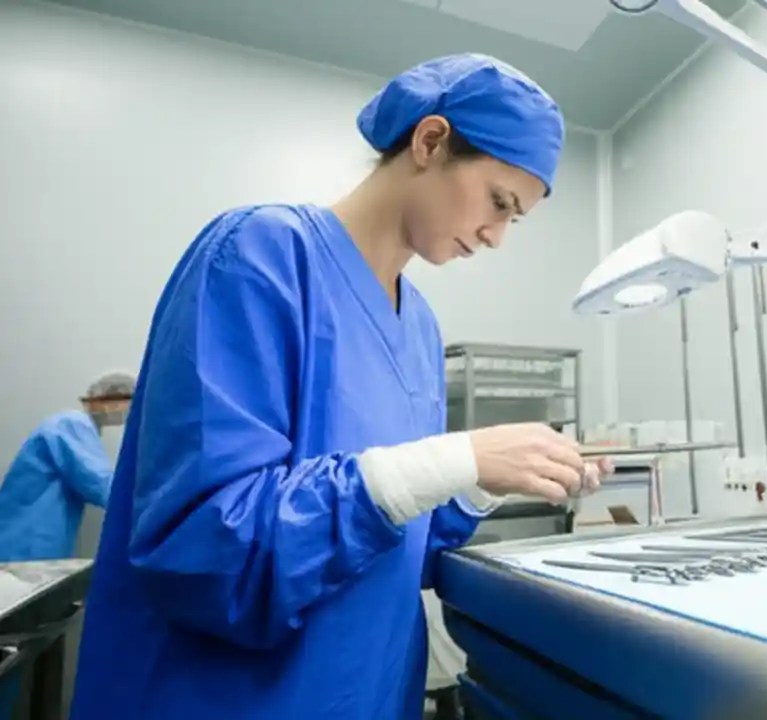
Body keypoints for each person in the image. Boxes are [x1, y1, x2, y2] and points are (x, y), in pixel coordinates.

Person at [70, 54, 609, 720]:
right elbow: (209, 550)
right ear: (430, 141)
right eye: (498, 202)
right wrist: (456, 456)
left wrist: (483, 481)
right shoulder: (260, 256)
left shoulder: (418, 328)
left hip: (370, 688)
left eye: (515, 219)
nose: (497, 236)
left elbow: (384, 529)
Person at [0, 371, 135, 563]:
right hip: (28, 540)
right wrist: (146, 507)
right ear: (107, 400)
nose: (128, 410)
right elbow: (99, 482)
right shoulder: (71, 424)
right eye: (128, 402)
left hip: (31, 539)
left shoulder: (79, 428)